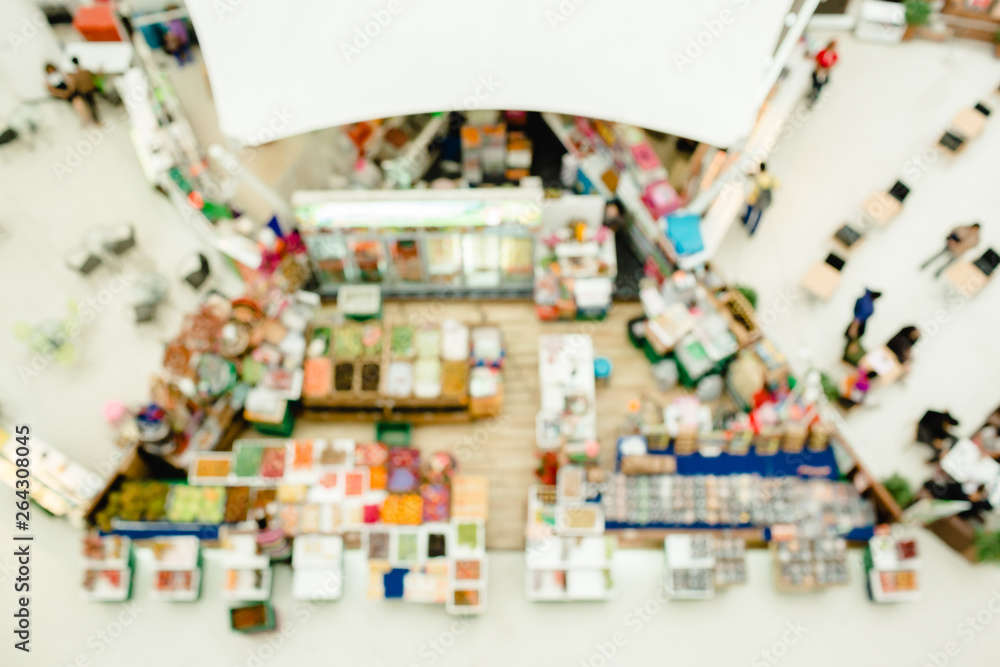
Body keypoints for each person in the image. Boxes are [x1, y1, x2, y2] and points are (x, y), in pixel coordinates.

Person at [742, 163, 778, 236]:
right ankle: (753, 230)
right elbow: (776, 184)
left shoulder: (759, 177)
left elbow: (755, 189)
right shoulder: (770, 177)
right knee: (759, 215)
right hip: (764, 201)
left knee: (750, 209)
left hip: (756, 199)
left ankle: (745, 220)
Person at [69, 57, 99, 123]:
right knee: (92, 105)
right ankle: (96, 120)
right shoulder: (84, 71)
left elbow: (74, 85)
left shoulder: (75, 74)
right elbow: (94, 76)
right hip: (89, 90)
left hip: (85, 91)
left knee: (90, 106)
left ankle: (95, 120)